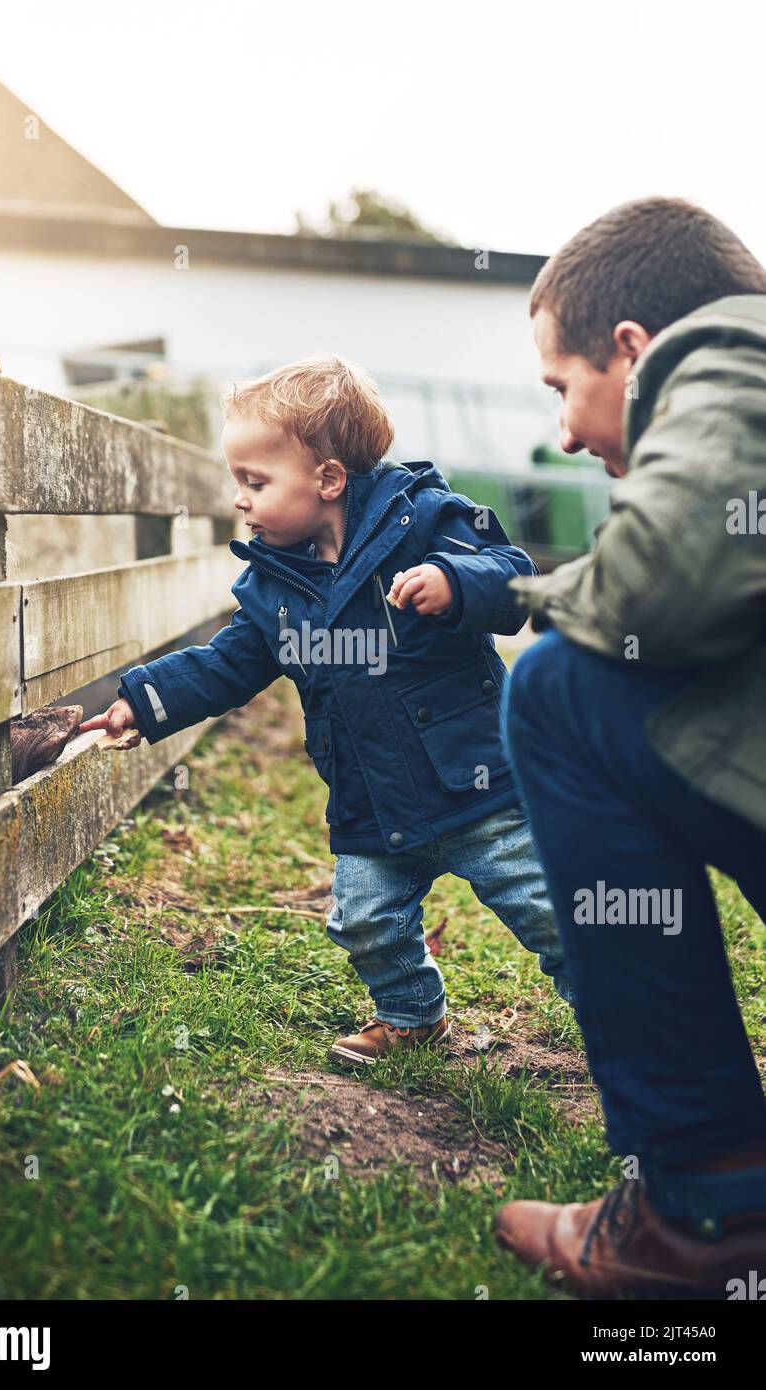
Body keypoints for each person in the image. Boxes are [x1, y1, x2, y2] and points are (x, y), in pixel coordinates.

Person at [79, 354, 574, 1063]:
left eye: (255, 482)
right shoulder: (274, 586)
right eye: (237, 484)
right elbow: (227, 663)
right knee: (365, 920)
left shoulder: (428, 520)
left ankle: (619, 1013)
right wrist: (143, 700)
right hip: (369, 797)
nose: (241, 501)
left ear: (328, 479)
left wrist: (453, 581)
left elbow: (511, 575)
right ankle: (411, 1016)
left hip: (474, 784)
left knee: (544, 908)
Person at [493, 197, 766, 1297]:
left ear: (632, 349)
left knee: (559, 688)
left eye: (563, 390)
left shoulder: (730, 355)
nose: (564, 434)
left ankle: (706, 1205)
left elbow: (670, 573)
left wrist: (519, 599)